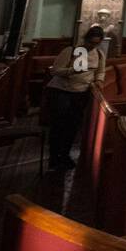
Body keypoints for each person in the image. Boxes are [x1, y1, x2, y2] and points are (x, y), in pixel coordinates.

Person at [43, 25, 107, 171]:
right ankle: (54, 158)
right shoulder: (70, 51)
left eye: (97, 43)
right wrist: (72, 70)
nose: (93, 46)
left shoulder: (99, 54)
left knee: (72, 125)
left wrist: (98, 81)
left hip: (81, 93)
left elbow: (100, 71)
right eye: (91, 43)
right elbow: (56, 70)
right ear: (86, 39)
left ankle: (65, 155)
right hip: (62, 91)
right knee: (59, 125)